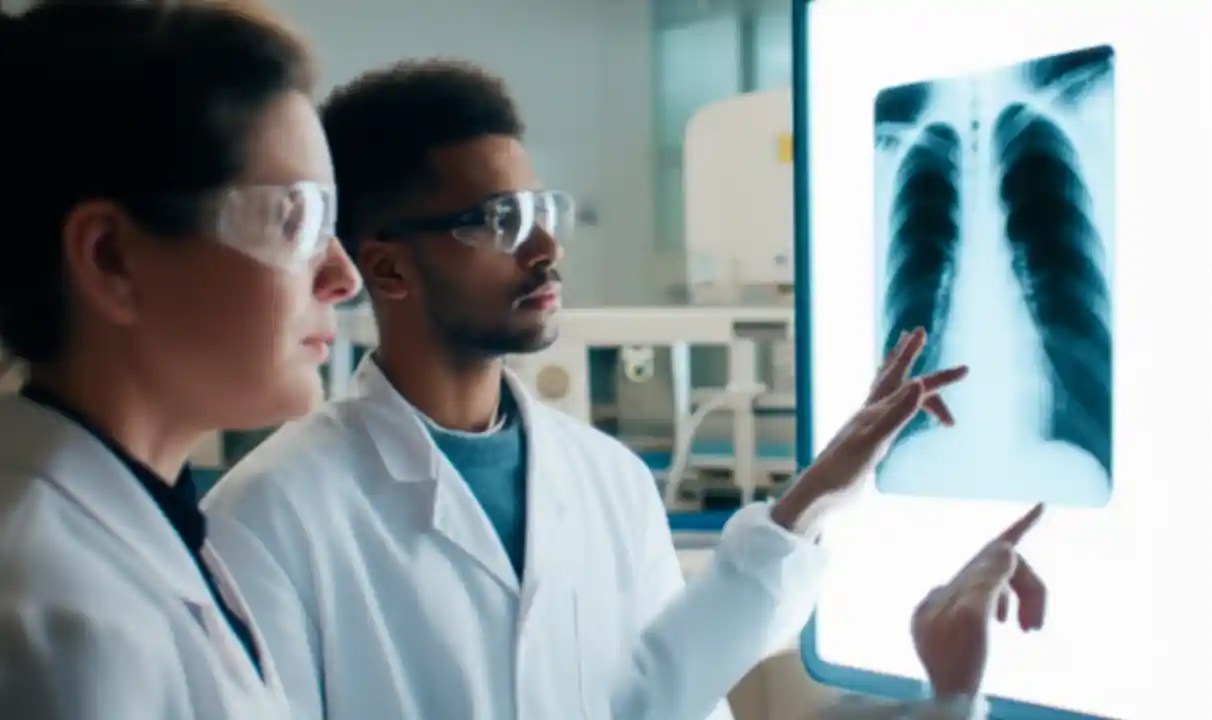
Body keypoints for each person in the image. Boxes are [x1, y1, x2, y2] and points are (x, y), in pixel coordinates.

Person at [202, 59, 1044, 720]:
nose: (544, 251)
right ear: (383, 265)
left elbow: (654, 701)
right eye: (500, 223)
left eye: (542, 212)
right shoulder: (272, 514)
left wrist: (815, 507)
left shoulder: (605, 478)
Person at [0, 2, 361, 718]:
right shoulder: (55, 619)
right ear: (112, 259)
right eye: (295, 218)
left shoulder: (145, 527)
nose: (343, 275)